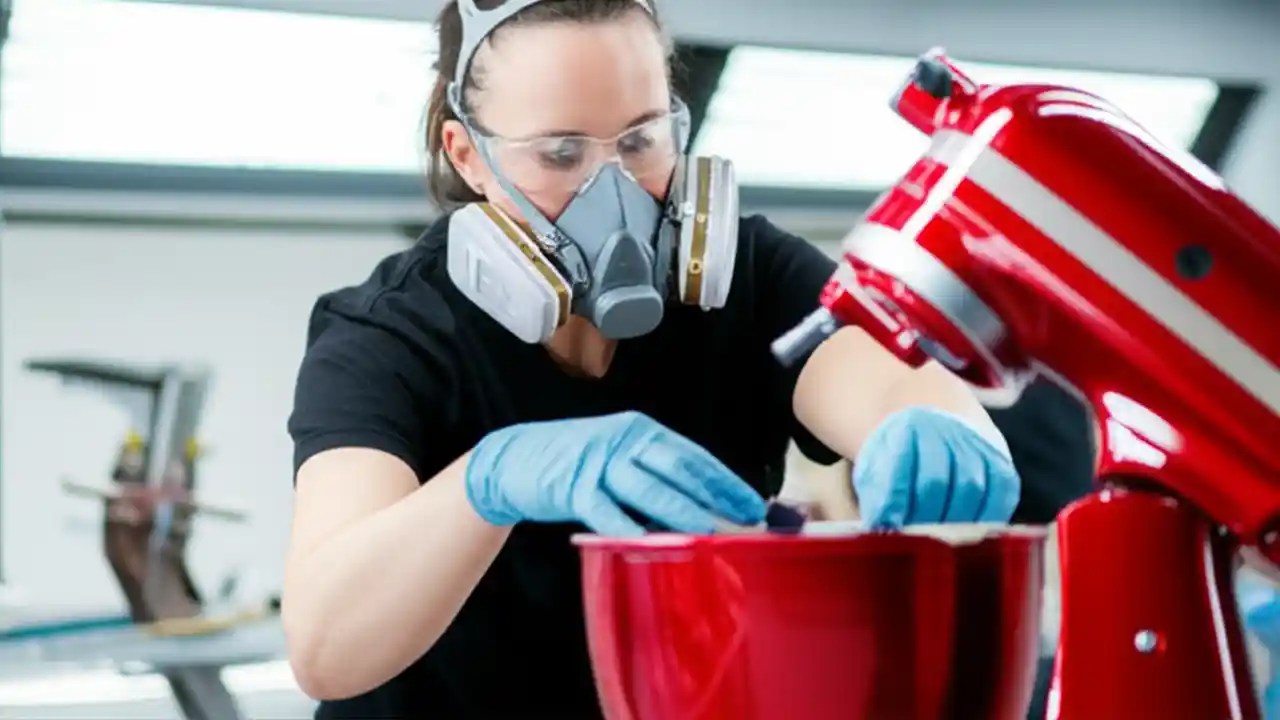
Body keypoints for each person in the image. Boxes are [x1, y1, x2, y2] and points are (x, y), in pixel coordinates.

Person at [282, 1, 1021, 717]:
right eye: (560, 153)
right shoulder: (391, 335)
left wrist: (941, 430)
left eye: (640, 141)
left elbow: (900, 387)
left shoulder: (752, 281)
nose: (616, 192)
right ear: (468, 155)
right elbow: (326, 650)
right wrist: (486, 481)